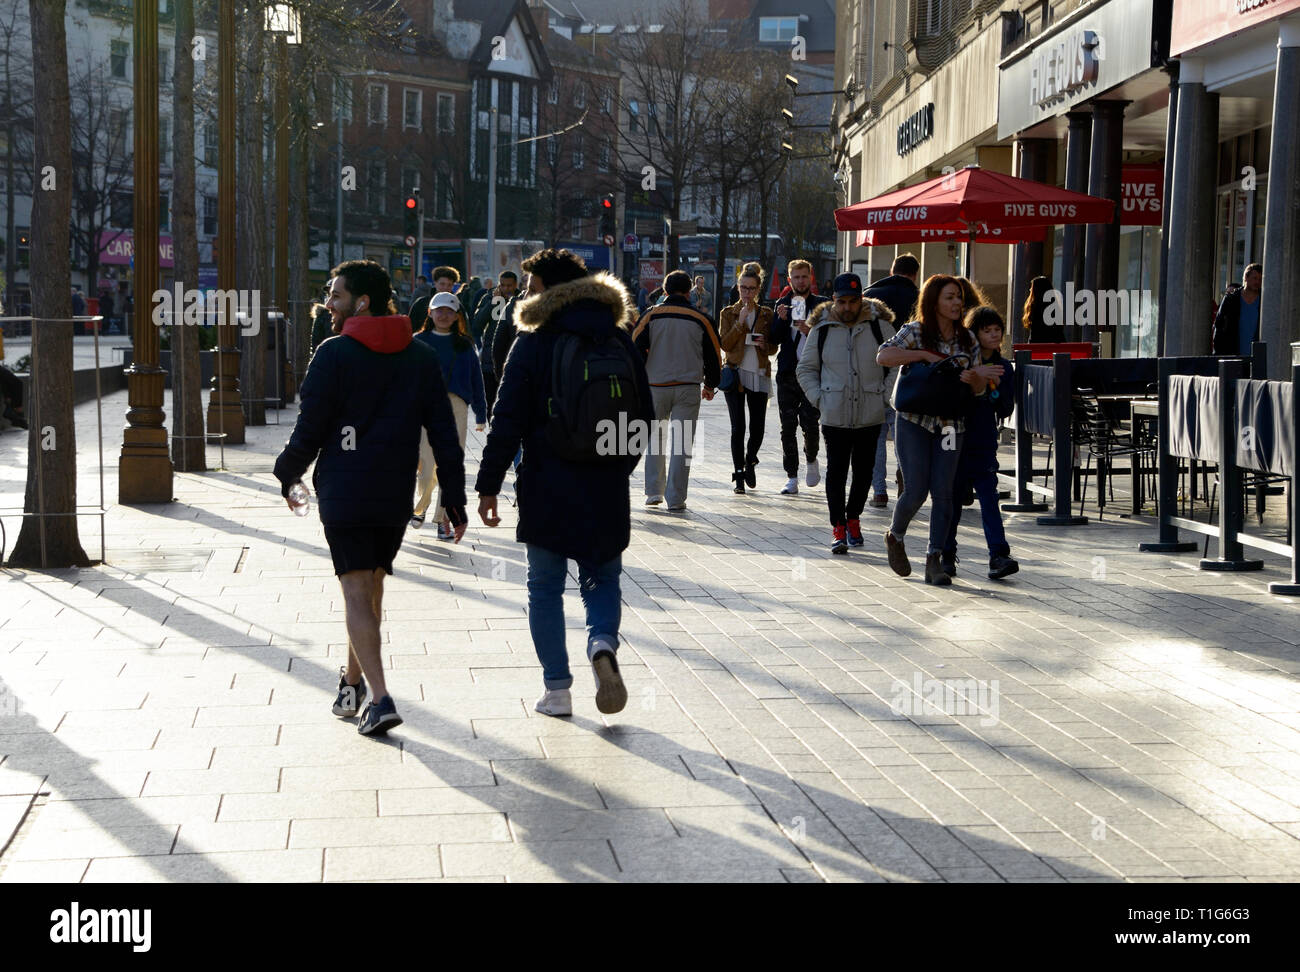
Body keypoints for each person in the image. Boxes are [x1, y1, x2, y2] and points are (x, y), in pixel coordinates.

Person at [274, 260, 468, 736]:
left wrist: (286, 471)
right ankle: (352, 685)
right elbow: (444, 434)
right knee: (371, 586)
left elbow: (311, 428)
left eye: (336, 296)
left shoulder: (333, 353)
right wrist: (456, 499)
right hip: (393, 494)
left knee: (358, 589)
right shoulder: (421, 356)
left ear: (361, 302)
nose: (330, 303)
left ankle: (380, 699)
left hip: (347, 490)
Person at [474, 248, 653, 717]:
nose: (526, 295)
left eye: (531, 288)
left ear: (547, 291)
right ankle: (601, 643)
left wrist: (488, 483)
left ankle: (557, 690)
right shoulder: (618, 337)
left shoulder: (533, 341)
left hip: (547, 480)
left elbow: (506, 417)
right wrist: (617, 466)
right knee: (602, 577)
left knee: (545, 585)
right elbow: (645, 416)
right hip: (606, 483)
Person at [877, 274, 986, 586]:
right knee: (916, 490)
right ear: (934, 300)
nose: (956, 303)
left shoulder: (968, 339)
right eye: (950, 297)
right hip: (914, 421)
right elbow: (884, 355)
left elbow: (978, 390)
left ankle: (933, 558)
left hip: (952, 425)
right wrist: (923, 355)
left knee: (944, 492)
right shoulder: (915, 331)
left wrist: (975, 379)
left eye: (959, 297)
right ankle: (895, 536)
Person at [797, 273, 893, 554]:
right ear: (833, 300)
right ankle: (838, 525)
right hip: (834, 412)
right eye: (842, 301)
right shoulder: (822, 328)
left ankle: (854, 518)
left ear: (861, 299)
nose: (848, 307)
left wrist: (884, 397)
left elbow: (895, 364)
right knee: (837, 472)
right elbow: (806, 369)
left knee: (864, 473)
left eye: (853, 301)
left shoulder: (880, 327)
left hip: (870, 413)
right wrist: (820, 398)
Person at [632, 269, 722, 512]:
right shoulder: (701, 319)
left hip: (655, 387)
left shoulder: (650, 315)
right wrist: (711, 384)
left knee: (655, 440)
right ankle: (676, 498)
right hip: (688, 387)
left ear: (664, 290)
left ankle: (653, 492)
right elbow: (714, 354)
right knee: (682, 444)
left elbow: (635, 349)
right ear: (688, 291)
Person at [941, 306, 1019, 580]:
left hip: (985, 440)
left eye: (997, 329)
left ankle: (998, 555)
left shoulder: (1004, 367)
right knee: (952, 498)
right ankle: (946, 555)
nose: (994, 335)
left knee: (989, 496)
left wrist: (994, 385)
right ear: (974, 333)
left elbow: (1005, 409)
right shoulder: (961, 360)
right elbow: (952, 398)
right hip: (957, 437)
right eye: (987, 330)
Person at [411, 292, 487, 538]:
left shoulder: (464, 344)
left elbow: (477, 380)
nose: (444, 315)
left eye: (449, 311)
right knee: (425, 465)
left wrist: (481, 414)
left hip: (457, 407)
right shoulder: (416, 341)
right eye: (439, 310)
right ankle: (420, 507)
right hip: (424, 407)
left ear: (456, 316)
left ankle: (443, 521)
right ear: (430, 313)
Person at [769, 258, 830, 495]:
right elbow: (774, 339)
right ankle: (791, 476)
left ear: (810, 278)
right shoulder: (782, 304)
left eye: (804, 276)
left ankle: (812, 458)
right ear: (790, 279)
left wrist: (811, 331)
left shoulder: (822, 305)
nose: (800, 281)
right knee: (787, 426)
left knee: (810, 423)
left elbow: (830, 338)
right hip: (786, 372)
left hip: (814, 372)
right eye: (796, 277)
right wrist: (781, 320)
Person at [862, 254, 919, 507]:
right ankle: (905, 477)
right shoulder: (920, 298)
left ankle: (879, 490)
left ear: (893, 269)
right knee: (902, 434)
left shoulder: (869, 296)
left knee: (876, 435)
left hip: (875, 372)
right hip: (908, 375)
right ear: (914, 274)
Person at [718, 264, 775, 493]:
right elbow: (725, 344)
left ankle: (750, 460)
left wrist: (766, 344)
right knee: (737, 427)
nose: (746, 293)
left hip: (759, 373)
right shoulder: (728, 313)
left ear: (758, 289)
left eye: (751, 289)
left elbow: (773, 347)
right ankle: (739, 475)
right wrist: (740, 323)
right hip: (735, 374)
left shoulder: (766, 314)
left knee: (758, 427)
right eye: (743, 288)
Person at [473, 271, 519, 412]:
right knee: (491, 401)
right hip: (490, 358)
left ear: (515, 285)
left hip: (512, 356)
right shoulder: (489, 297)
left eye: (509, 286)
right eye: (503, 285)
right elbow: (477, 325)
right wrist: (493, 303)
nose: (506, 289)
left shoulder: (521, 299)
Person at [1212, 263, 1263, 356]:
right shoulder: (1231, 299)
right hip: (1233, 354)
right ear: (1246, 278)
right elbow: (1219, 325)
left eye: (1260, 279)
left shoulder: (1264, 301)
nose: (1257, 282)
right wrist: (1218, 352)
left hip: (1256, 356)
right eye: (1255, 278)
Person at [407, 265, 461, 332]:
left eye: (449, 285)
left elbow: (463, 328)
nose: (445, 288)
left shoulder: (457, 305)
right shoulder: (421, 303)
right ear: (435, 283)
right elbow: (410, 327)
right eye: (442, 284)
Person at [1024, 275, 1064, 343]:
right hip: (1056, 348)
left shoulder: (1034, 309)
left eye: (1031, 288)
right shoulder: (1055, 309)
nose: (1030, 289)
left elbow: (1034, 336)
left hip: (1039, 350)